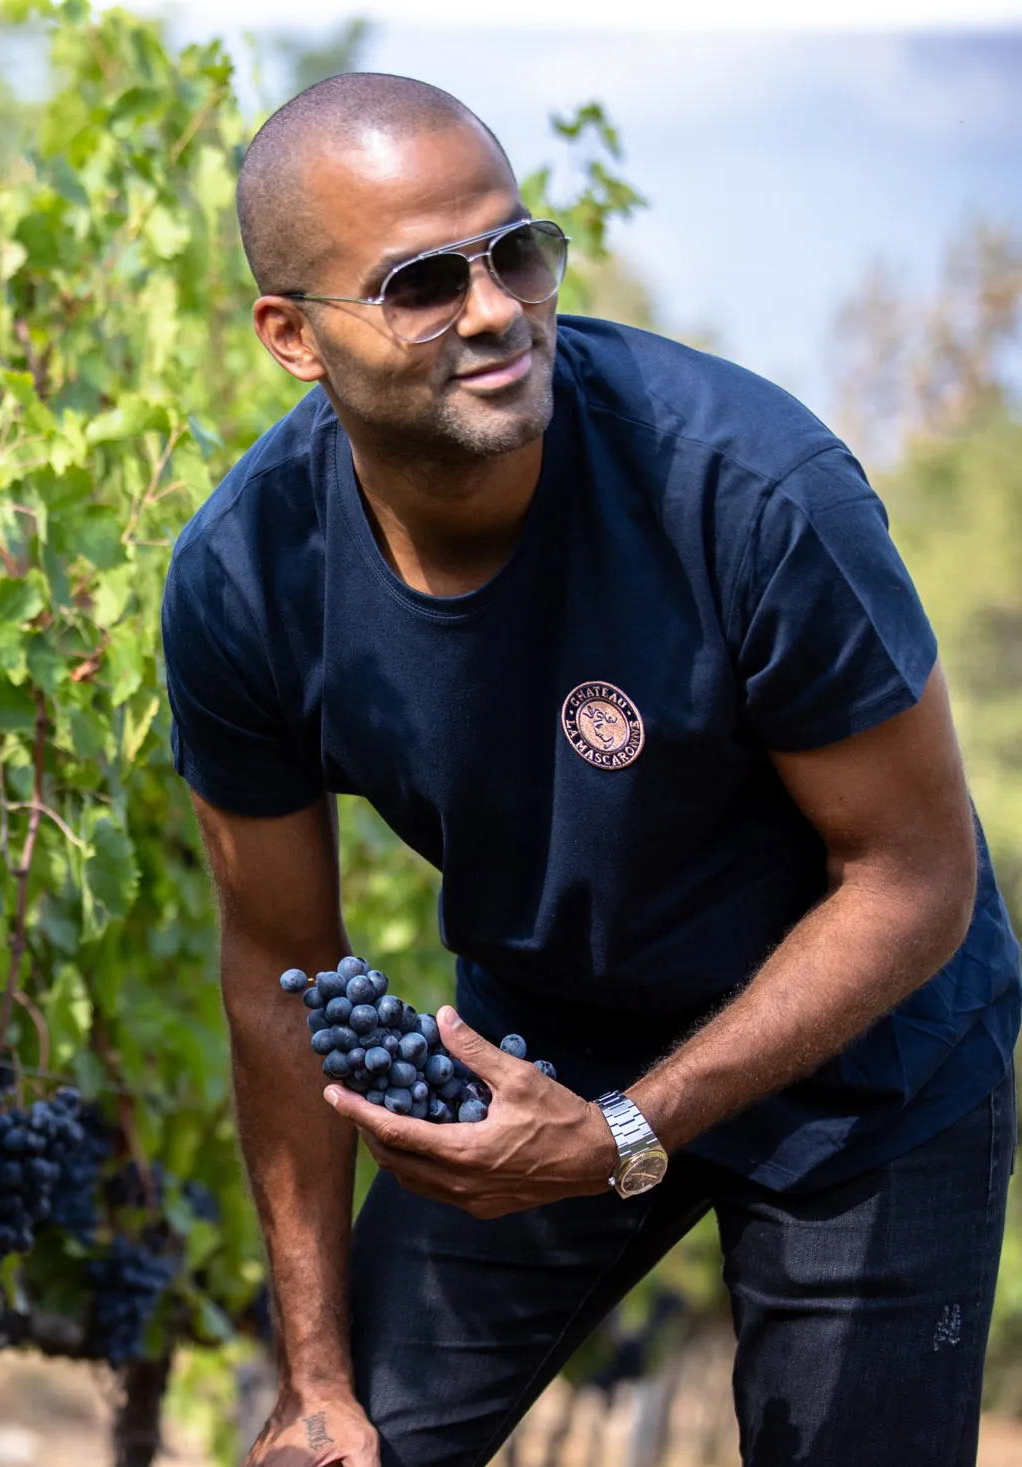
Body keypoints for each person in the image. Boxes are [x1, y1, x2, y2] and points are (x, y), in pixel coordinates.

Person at [163, 72, 1021, 1467]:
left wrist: (630, 1125)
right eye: (423, 281)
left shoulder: (750, 493)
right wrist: (314, 1374)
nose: (496, 306)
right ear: (292, 335)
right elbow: (276, 964)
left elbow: (918, 876)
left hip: (873, 1070)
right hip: (544, 1058)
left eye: (516, 250)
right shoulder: (247, 583)